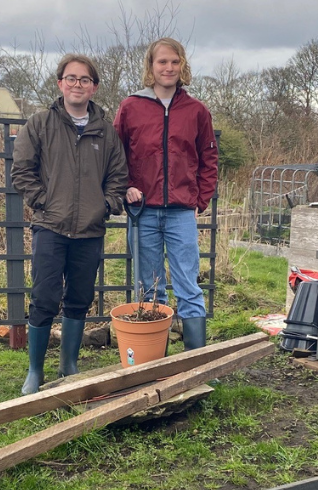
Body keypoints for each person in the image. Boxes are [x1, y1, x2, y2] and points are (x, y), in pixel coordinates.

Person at [12, 53, 130, 395]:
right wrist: (44, 202)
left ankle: (69, 365)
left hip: (89, 232)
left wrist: (105, 205)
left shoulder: (105, 132)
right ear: (60, 83)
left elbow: (118, 177)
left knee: (79, 298)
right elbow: (22, 171)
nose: (78, 85)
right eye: (71, 78)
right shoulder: (40, 124)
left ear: (93, 88)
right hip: (51, 228)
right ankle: (35, 371)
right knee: (44, 297)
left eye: (85, 80)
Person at [114, 37, 218, 352]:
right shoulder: (131, 107)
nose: (168, 67)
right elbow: (116, 155)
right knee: (150, 288)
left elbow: (209, 159)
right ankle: (153, 360)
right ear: (151, 66)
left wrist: (201, 199)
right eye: (162, 62)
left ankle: (193, 364)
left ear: (182, 65)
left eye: (174, 61)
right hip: (142, 211)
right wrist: (125, 187)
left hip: (181, 213)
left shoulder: (196, 110)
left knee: (188, 286)